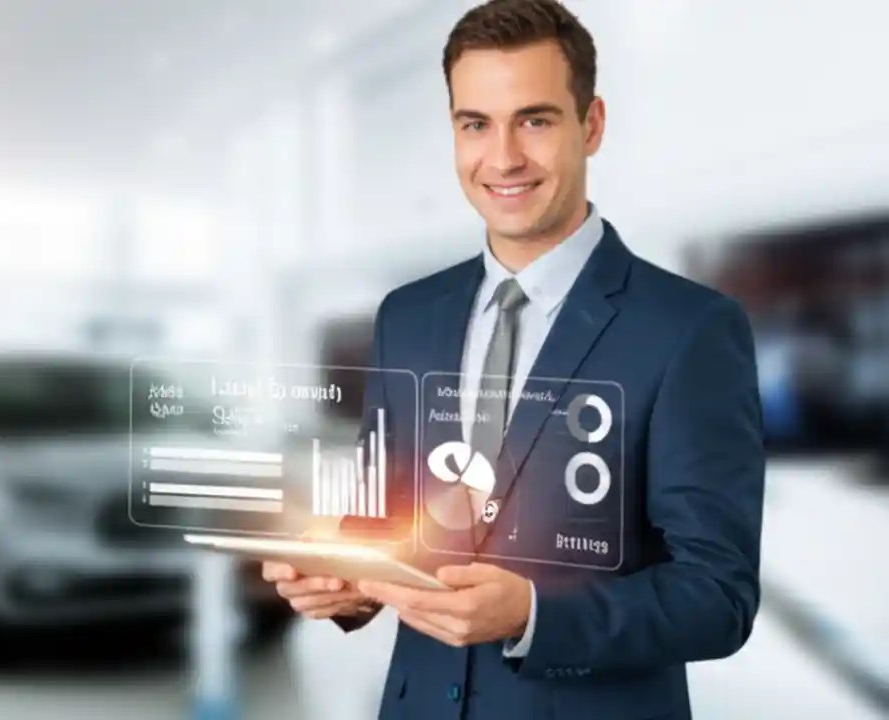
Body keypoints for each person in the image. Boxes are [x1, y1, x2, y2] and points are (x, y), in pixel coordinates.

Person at [263, 1, 765, 718]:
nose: (502, 158)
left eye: (534, 119)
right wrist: (344, 579)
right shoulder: (406, 317)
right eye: (476, 124)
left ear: (590, 126)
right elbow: (391, 521)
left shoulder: (689, 330)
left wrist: (533, 614)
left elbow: (718, 595)